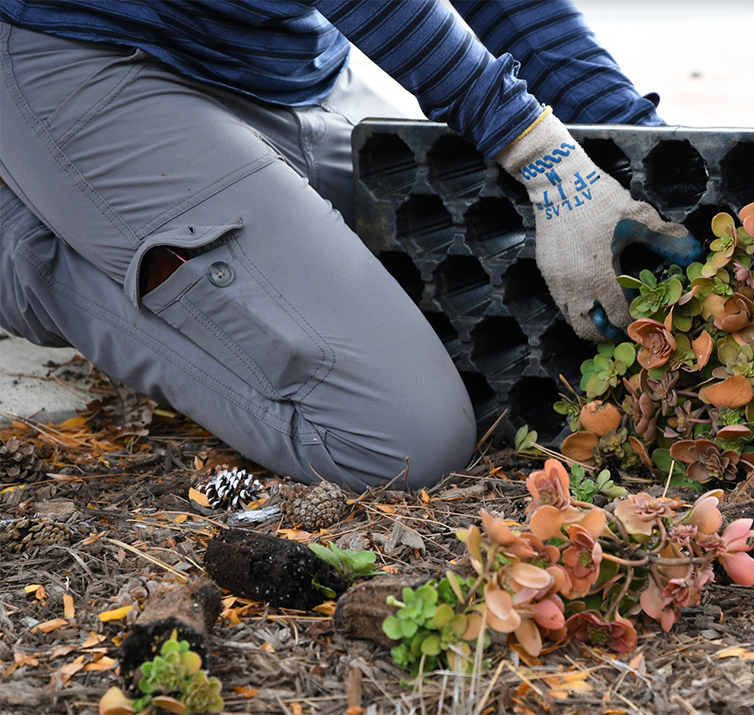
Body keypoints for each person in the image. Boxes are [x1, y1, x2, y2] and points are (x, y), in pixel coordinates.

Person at [0, 0, 698, 491]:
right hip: (87, 44)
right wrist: (534, 148)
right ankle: (31, 250)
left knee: (458, 263)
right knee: (401, 441)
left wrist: (642, 144)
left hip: (283, 66)